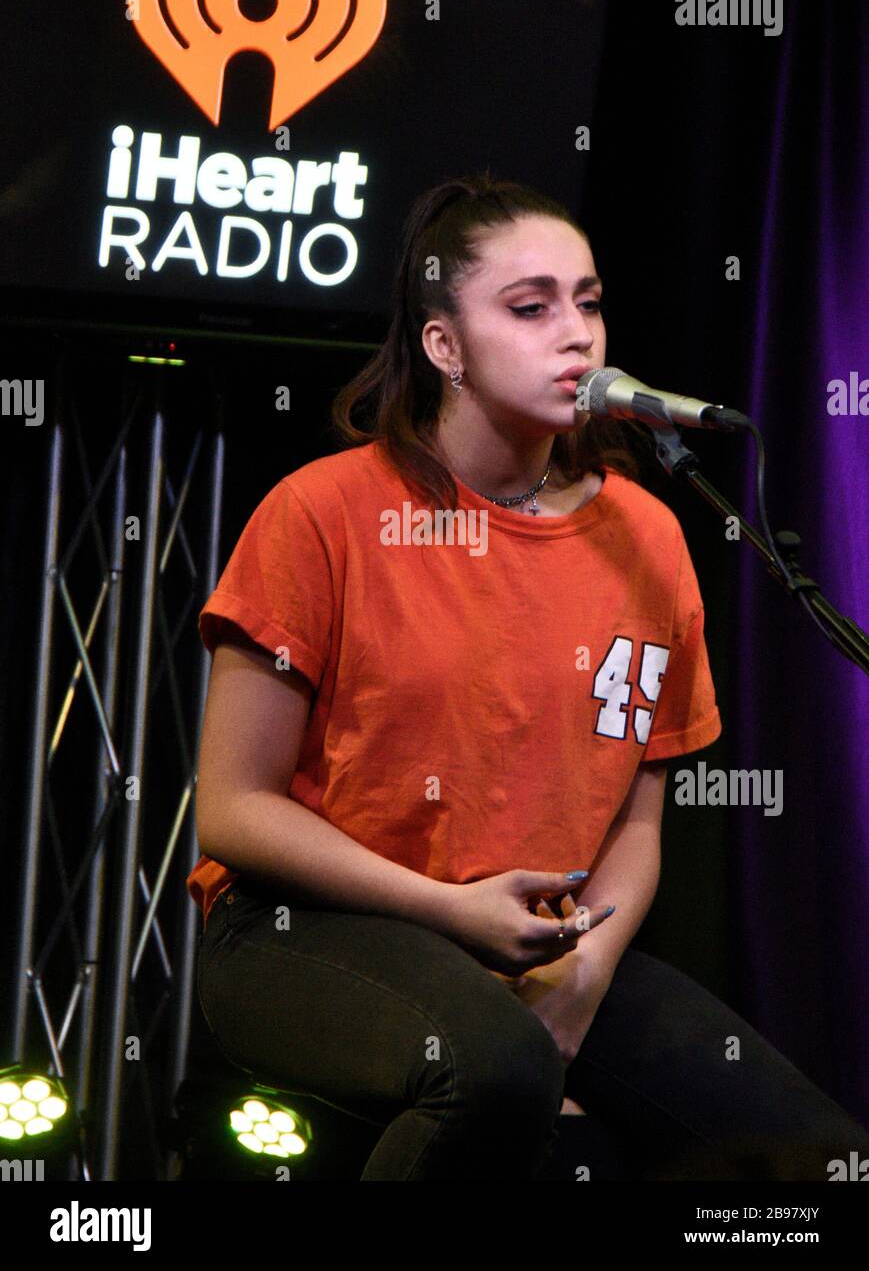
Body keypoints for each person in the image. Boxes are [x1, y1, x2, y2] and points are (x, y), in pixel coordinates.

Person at [188, 175, 869, 1181]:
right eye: (530, 306)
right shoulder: (322, 512)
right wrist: (449, 910)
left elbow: (638, 816)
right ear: (443, 347)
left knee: (818, 1160)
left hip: (535, 949)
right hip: (305, 932)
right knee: (493, 1064)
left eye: (587, 301)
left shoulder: (646, 536)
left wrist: (584, 971)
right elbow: (233, 811)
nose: (576, 334)